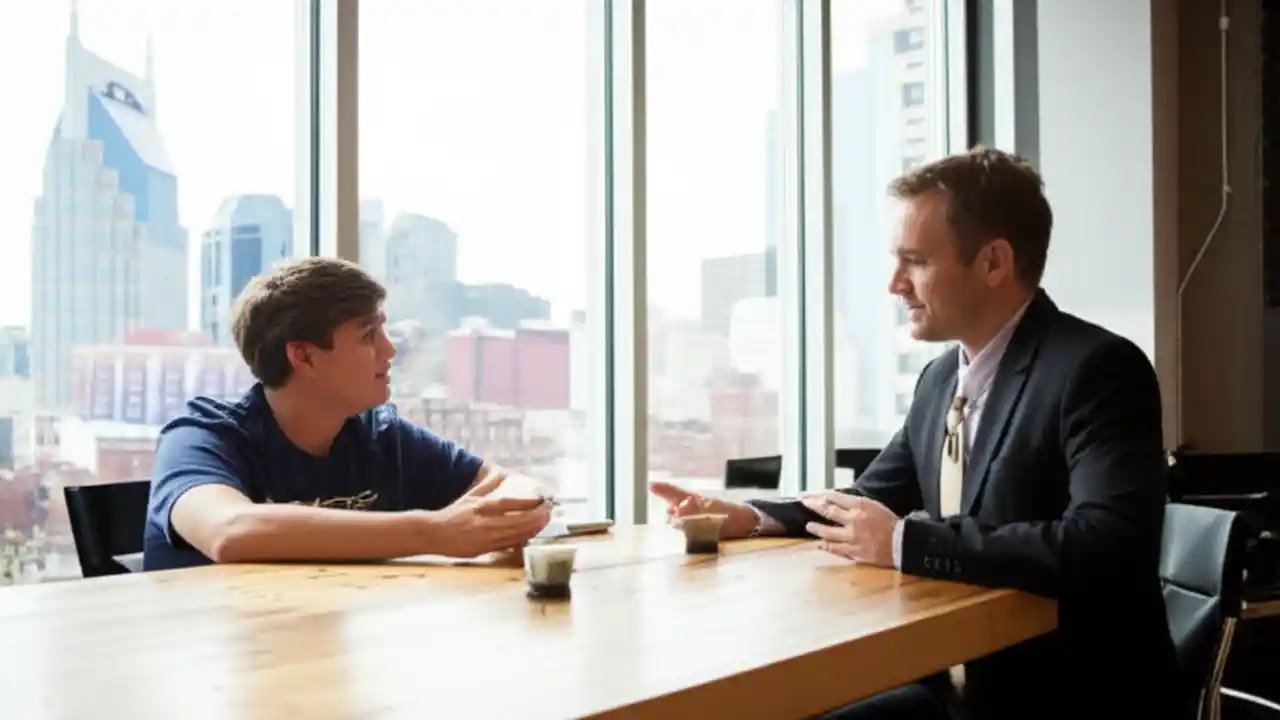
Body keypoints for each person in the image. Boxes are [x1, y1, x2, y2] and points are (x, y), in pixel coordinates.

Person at [650, 148, 1189, 718]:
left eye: (915, 261)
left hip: (1068, 699)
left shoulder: (1098, 369)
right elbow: (872, 497)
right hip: (953, 684)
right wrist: (751, 517)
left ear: (993, 263)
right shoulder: (939, 379)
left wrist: (908, 542)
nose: (894, 284)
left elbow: (1108, 547)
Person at [143, 257, 551, 571]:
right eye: (368, 336)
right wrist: (436, 531)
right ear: (302, 355)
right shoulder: (201, 437)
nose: (389, 350)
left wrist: (519, 506)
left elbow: (506, 484)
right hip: (216, 664)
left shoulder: (380, 435)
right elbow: (231, 531)